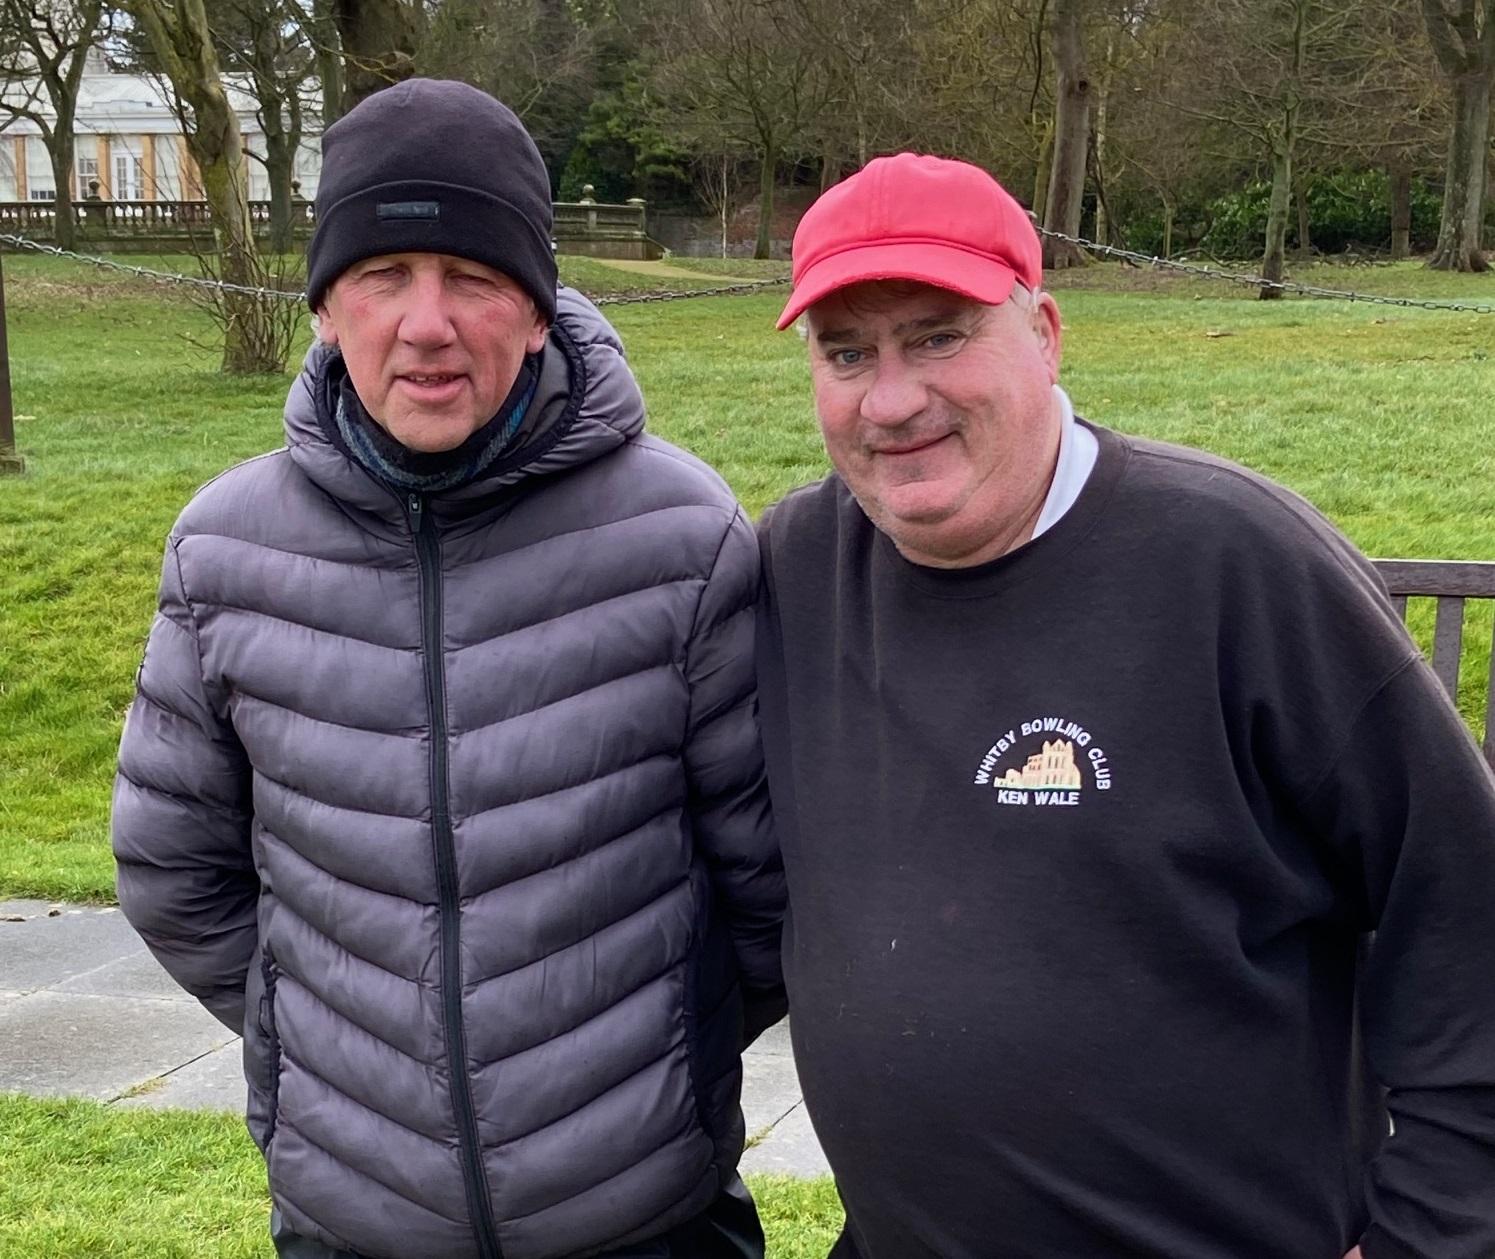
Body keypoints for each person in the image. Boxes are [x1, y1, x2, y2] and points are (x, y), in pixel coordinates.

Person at [755, 152, 1495, 1259]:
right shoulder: (796, 569)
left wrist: (1429, 1238)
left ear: (1045, 333)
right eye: (846, 351)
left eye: (938, 337)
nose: (891, 398)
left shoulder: (1238, 564)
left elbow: (1464, 917)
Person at [112, 78, 784, 1259]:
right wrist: (317, 1042)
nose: (427, 323)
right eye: (383, 275)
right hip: (351, 1219)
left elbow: (768, 885)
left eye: (473, 276)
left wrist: (655, 1051)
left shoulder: (683, 538)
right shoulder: (223, 552)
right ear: (326, 308)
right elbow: (174, 867)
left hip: (644, 1219)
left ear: (537, 309)